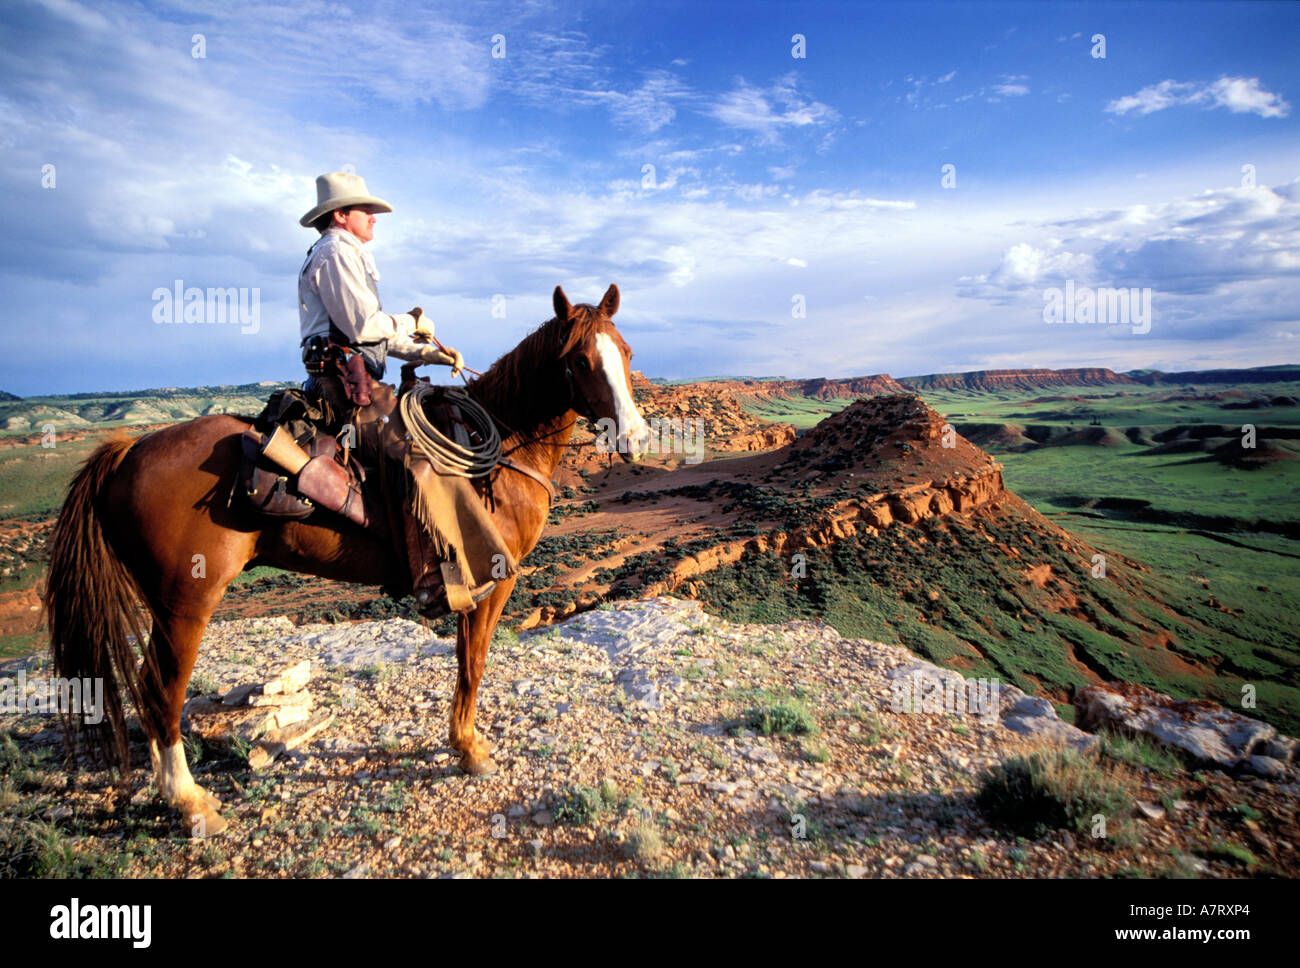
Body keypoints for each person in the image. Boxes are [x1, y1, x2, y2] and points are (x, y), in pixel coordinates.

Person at [296, 171, 504, 617]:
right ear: (340, 215)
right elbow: (364, 327)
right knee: (420, 451)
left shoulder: (346, 254)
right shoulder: (335, 253)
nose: (374, 218)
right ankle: (434, 580)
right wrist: (413, 320)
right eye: (365, 210)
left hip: (357, 380)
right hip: (346, 390)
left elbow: (374, 338)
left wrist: (434, 354)